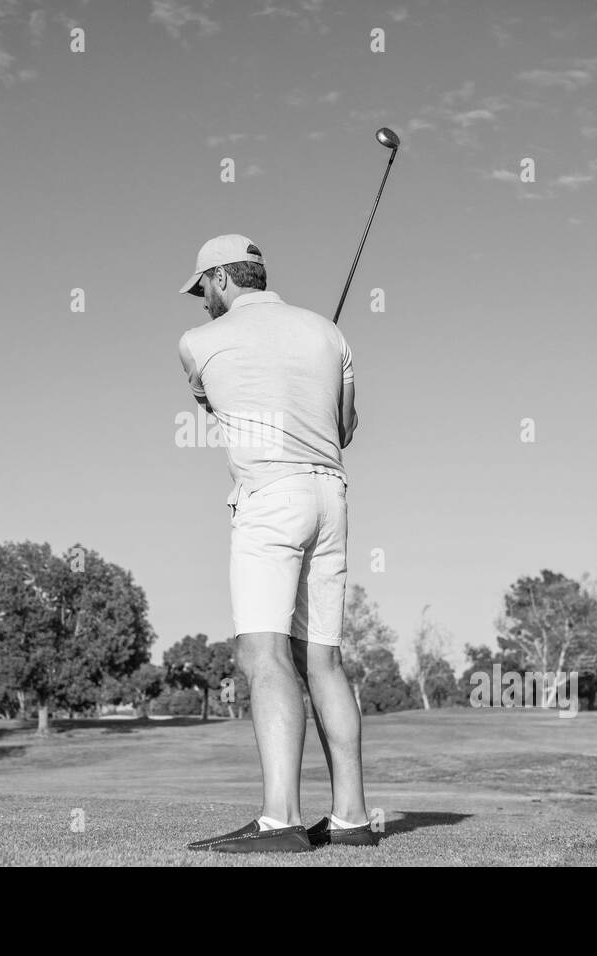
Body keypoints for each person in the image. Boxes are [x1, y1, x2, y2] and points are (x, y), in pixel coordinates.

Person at [176, 234, 378, 853]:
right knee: (324, 660)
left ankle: (280, 819)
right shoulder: (328, 332)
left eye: (202, 288)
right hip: (331, 498)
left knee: (263, 655)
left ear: (220, 279)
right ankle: (351, 818)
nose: (202, 300)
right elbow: (344, 429)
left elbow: (214, 403)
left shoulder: (197, 343)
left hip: (270, 498)